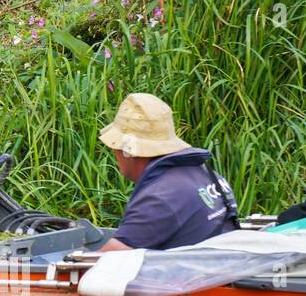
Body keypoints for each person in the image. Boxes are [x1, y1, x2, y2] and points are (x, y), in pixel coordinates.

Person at [97, 93, 238, 251]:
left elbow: (111, 258)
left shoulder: (160, 197)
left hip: (191, 273)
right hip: (214, 267)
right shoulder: (206, 174)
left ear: (128, 151)